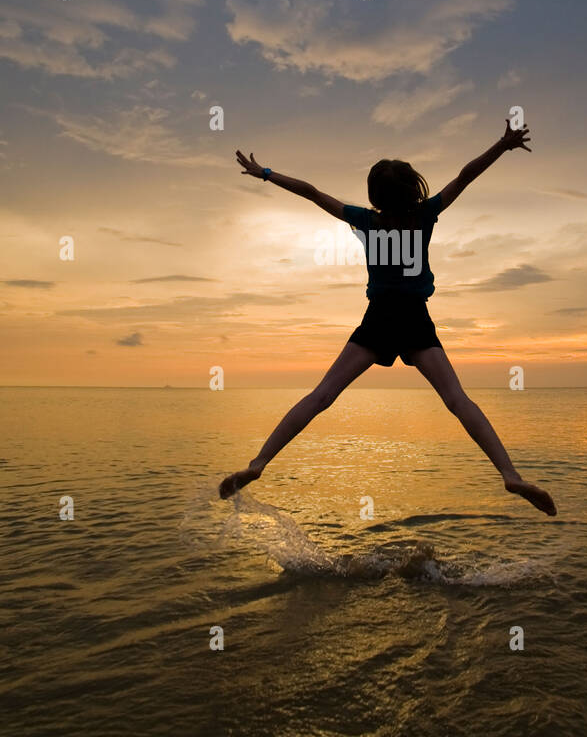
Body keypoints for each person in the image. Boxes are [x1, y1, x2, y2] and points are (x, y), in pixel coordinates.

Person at [219, 121, 557, 516]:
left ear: (374, 195)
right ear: (414, 189)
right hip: (415, 322)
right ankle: (510, 474)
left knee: (322, 396)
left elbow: (311, 193)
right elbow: (466, 175)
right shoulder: (425, 214)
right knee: (456, 399)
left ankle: (259, 463)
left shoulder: (367, 220)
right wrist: (502, 145)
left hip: (378, 322)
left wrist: (266, 174)